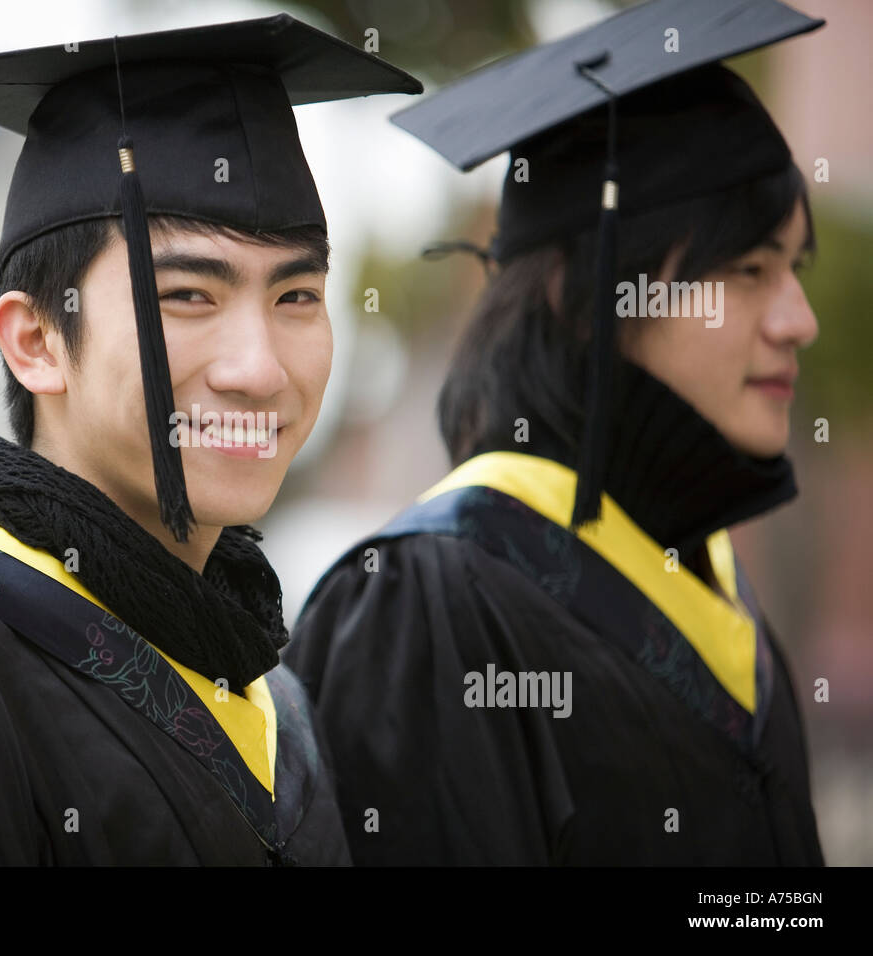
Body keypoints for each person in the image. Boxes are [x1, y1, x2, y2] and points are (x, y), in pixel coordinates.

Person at [0, 15, 420, 864]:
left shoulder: (272, 693)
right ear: (35, 340)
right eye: (187, 295)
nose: (258, 369)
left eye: (296, 296)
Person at [286, 0, 828, 865]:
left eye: (793, 269)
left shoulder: (710, 587)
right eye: (748, 270)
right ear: (587, 293)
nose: (798, 319)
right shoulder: (431, 606)